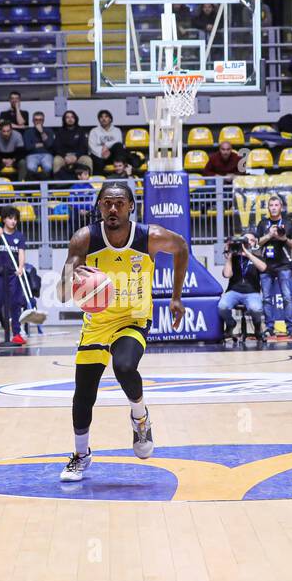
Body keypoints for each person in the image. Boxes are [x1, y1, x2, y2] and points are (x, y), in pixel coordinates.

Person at [55, 181, 187, 482]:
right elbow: (62, 293)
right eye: (106, 203)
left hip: (134, 317)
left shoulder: (149, 237)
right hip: (97, 323)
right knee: (83, 395)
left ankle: (140, 418)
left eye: (118, 203)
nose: (112, 208)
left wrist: (176, 297)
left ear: (130, 206)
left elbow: (180, 246)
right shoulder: (83, 239)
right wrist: (69, 280)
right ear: (99, 206)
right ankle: (81, 455)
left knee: (124, 366)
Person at [255, 195, 292, 338]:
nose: (273, 207)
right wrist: (269, 235)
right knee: (267, 298)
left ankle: (290, 328)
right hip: (266, 265)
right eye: (271, 205)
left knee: (287, 297)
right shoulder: (263, 223)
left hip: (284, 265)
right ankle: (269, 327)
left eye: (276, 205)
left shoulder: (288, 223)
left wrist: (284, 238)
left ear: (281, 207)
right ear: (268, 208)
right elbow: (257, 244)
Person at [0, 206, 27, 344]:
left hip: (13, 274)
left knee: (15, 303)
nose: (13, 221)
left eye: (15, 219)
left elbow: (21, 253)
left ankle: (17, 333)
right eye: (10, 218)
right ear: (4, 219)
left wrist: (20, 267)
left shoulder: (19, 236)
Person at [218, 231, 266, 343]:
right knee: (222, 306)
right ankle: (231, 324)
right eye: (246, 239)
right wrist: (229, 256)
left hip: (252, 292)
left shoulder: (257, 257)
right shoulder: (234, 257)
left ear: (255, 244)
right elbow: (227, 274)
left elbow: (263, 268)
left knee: (255, 309)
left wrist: (247, 253)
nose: (249, 242)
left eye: (252, 240)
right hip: (233, 291)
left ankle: (257, 328)